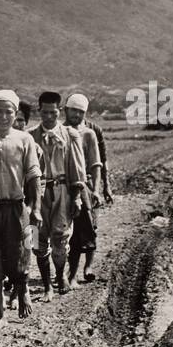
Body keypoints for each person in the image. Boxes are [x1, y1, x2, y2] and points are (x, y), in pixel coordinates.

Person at [0, 89, 42, 325]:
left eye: (9, 112)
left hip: (17, 207)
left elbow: (34, 175)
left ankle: (22, 290)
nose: (4, 117)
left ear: (15, 114)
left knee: (22, 252)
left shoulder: (25, 140)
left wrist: (36, 208)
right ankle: (0, 314)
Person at [30, 90, 88, 302]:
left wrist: (77, 197)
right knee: (36, 238)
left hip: (62, 191)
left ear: (59, 111)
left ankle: (60, 275)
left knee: (61, 237)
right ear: (39, 111)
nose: (49, 117)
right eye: (45, 113)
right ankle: (46, 286)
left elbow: (77, 169)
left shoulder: (70, 135)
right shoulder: (29, 136)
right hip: (38, 192)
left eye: (53, 113)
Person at [64, 92, 104, 285]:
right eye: (74, 111)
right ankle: (67, 274)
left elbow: (96, 164)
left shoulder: (88, 134)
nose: (76, 115)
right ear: (66, 110)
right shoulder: (59, 131)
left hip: (85, 187)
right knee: (67, 234)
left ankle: (83, 269)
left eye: (80, 112)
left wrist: (96, 190)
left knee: (87, 228)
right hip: (64, 187)